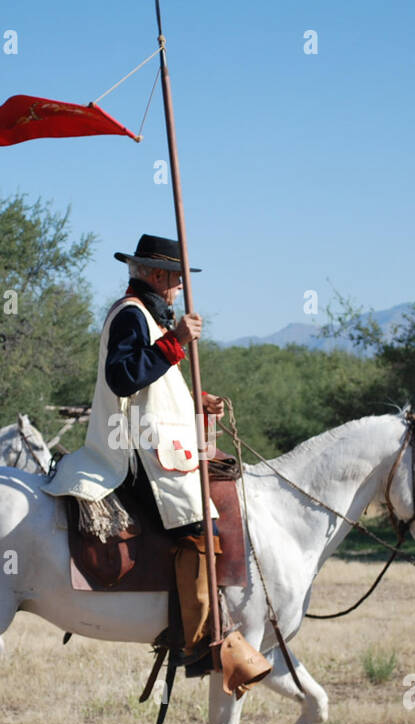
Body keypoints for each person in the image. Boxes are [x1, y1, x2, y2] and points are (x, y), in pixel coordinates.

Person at [44, 235, 267, 690]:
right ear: (158, 275)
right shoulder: (131, 314)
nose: (181, 288)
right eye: (177, 279)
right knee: (199, 527)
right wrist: (177, 342)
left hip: (159, 444)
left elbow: (154, 388)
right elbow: (123, 379)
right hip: (132, 451)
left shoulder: (148, 316)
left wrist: (195, 400)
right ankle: (203, 644)